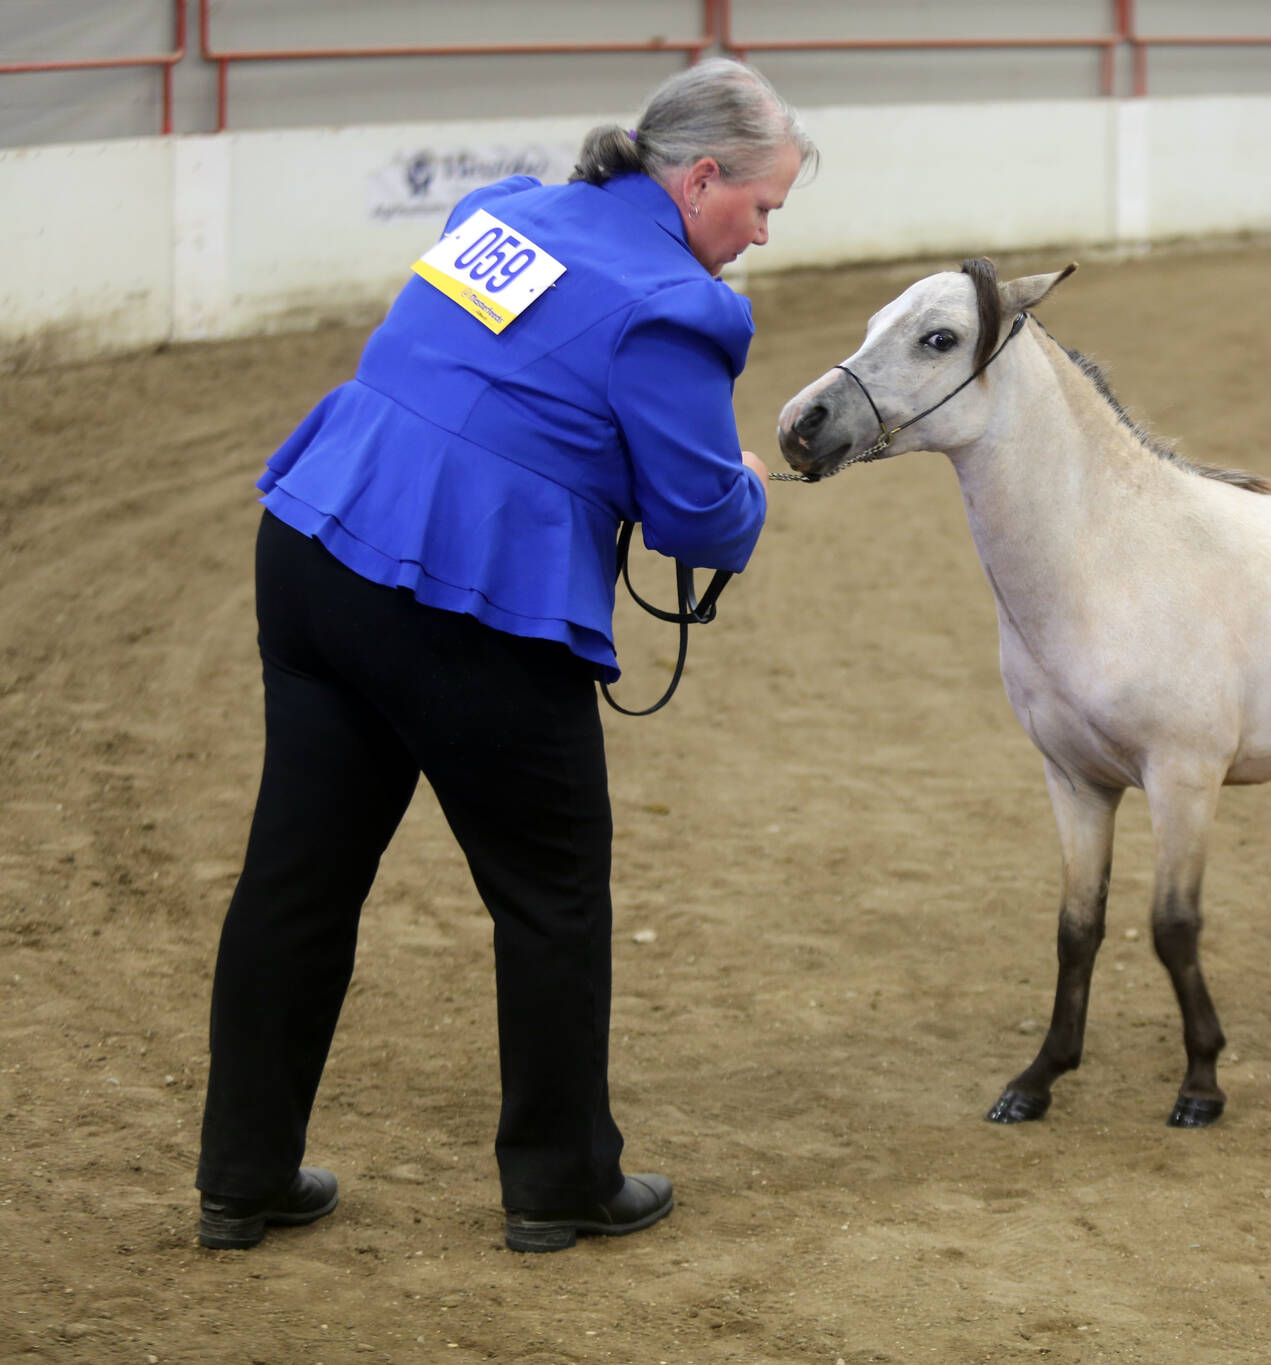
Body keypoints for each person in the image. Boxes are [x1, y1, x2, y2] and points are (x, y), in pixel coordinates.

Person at [193, 58, 815, 1254]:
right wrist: (743, 496)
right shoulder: (683, 306)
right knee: (551, 895)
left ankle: (242, 1176)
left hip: (320, 541)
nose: (763, 235)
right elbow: (691, 515)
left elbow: (495, 375)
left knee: (298, 880)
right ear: (699, 180)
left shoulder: (503, 213)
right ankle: (561, 1182)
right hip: (464, 599)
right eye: (763, 207)